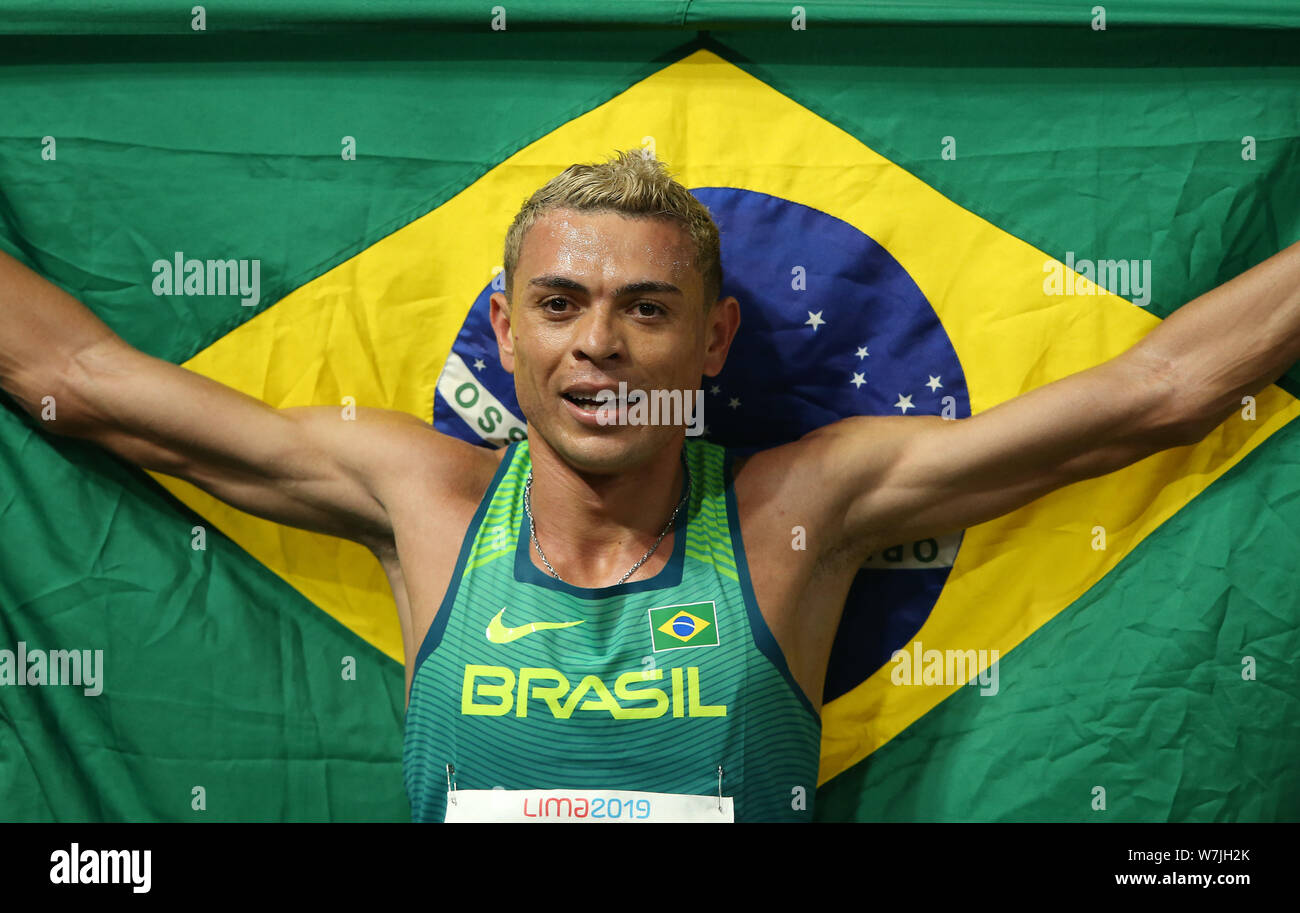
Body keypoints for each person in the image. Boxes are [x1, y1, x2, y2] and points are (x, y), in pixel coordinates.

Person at [1, 149, 1297, 821]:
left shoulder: (803, 509)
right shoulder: (420, 492)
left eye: (645, 308)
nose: (600, 346)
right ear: (504, 330)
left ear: (714, 340)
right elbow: (82, 375)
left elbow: (1160, 392)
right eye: (559, 305)